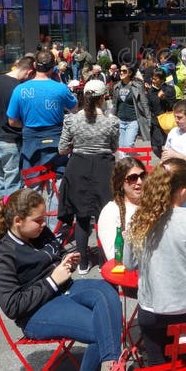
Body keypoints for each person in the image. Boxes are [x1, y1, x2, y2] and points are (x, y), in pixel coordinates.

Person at [0, 188, 143, 371]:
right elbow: (12, 307)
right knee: (101, 327)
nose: (45, 225)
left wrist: (67, 260)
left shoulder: (39, 232)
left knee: (106, 291)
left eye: (45, 219)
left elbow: (54, 253)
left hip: (63, 290)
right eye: (39, 220)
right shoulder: (3, 253)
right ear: (17, 221)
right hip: (35, 313)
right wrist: (53, 281)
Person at [128, 158, 186, 365]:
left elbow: (129, 264)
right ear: (182, 190)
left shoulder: (140, 218)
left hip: (150, 309)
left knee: (156, 360)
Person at [57, 80, 119, 274]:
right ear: (103, 98)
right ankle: (104, 261)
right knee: (105, 216)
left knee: (81, 217)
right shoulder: (111, 121)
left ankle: (82, 263)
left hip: (78, 167)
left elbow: (62, 149)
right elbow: (114, 147)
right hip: (104, 168)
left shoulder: (72, 120)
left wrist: (77, 144)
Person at [7, 48, 78, 172]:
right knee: (59, 181)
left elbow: (12, 121)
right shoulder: (61, 88)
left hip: (31, 143)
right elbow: (74, 109)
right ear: (53, 67)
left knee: (32, 184)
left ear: (34, 65)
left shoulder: (19, 89)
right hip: (56, 141)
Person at [0, 57, 35, 197]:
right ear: (29, 72)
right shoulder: (17, 88)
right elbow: (13, 120)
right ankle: (11, 217)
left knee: (0, 183)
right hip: (10, 141)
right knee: (13, 186)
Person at [97, 155, 147, 261]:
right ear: (120, 183)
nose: (140, 182)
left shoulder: (152, 204)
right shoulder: (111, 211)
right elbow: (114, 256)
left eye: (142, 176)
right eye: (132, 178)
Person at [112, 61, 150, 149]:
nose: (121, 73)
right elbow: (114, 105)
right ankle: (126, 162)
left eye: (124, 71)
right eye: (120, 71)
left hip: (133, 121)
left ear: (130, 73)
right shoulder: (116, 87)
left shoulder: (137, 86)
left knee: (128, 145)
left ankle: (128, 162)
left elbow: (144, 104)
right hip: (120, 121)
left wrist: (148, 120)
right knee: (121, 147)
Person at [146, 67, 177, 158]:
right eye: (152, 78)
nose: (153, 80)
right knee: (155, 147)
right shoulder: (150, 91)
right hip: (155, 122)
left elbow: (173, 106)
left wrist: (164, 98)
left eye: (156, 78)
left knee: (171, 147)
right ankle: (167, 160)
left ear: (162, 79)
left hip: (168, 122)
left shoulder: (169, 89)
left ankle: (172, 163)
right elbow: (148, 106)